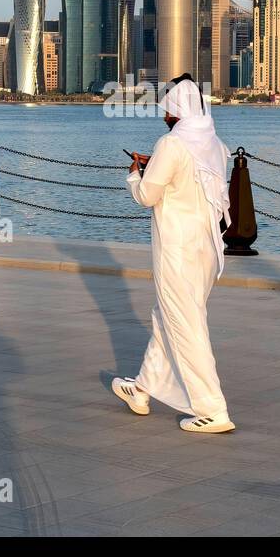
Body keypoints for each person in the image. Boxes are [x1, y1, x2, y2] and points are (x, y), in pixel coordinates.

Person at [112, 74, 235, 434]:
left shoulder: (172, 143)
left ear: (176, 108)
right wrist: (158, 165)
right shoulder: (211, 142)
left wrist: (136, 174)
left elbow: (149, 196)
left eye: (167, 108)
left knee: (188, 325)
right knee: (168, 317)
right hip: (208, 251)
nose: (164, 115)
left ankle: (212, 409)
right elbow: (190, 178)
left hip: (178, 252)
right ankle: (142, 388)